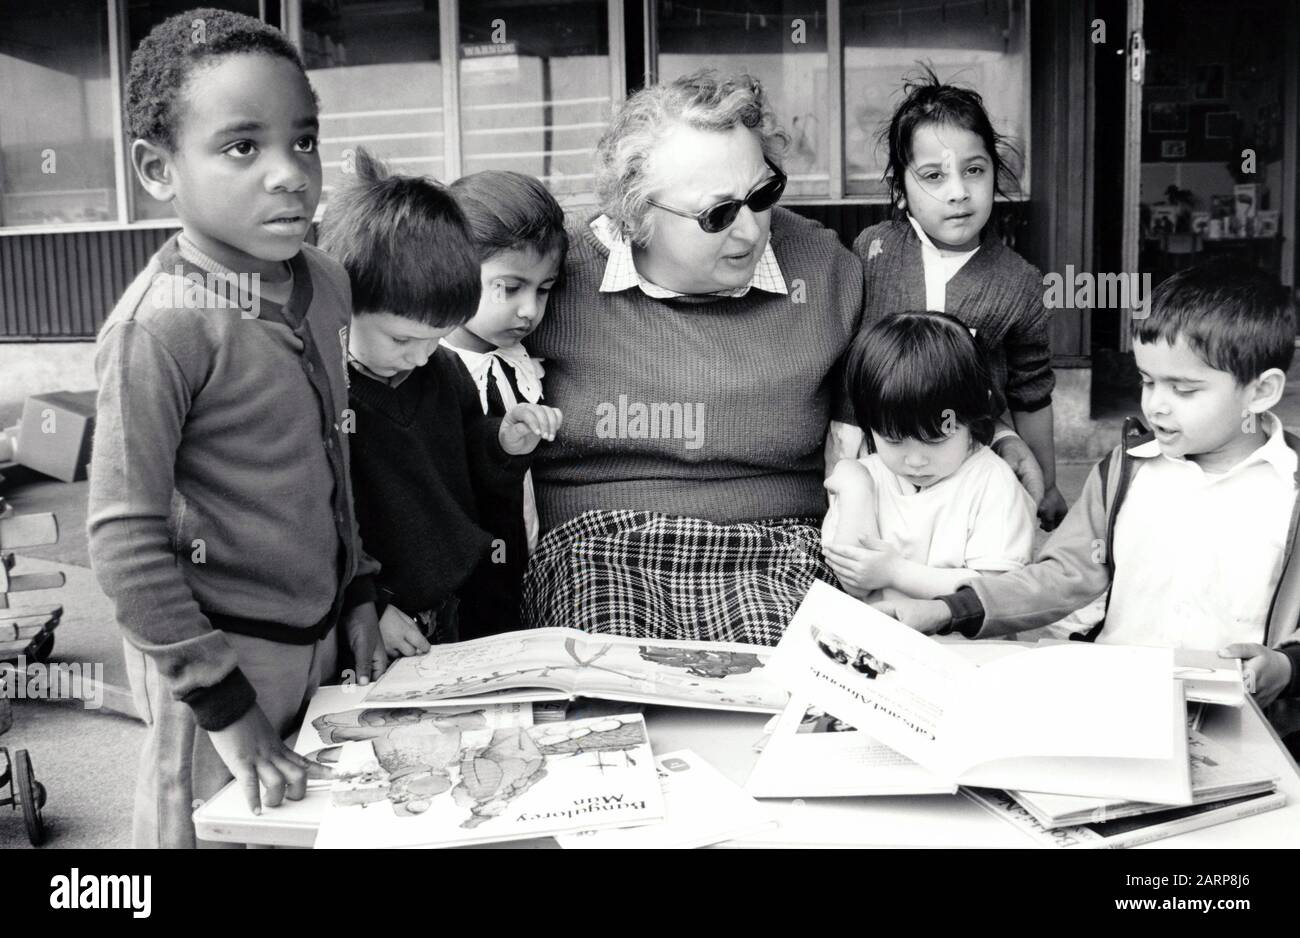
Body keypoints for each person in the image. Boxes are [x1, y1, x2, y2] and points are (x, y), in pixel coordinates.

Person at [87, 8, 384, 848]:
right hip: (216, 673)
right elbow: (123, 543)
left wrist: (357, 589)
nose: (291, 174)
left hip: (322, 645)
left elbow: (334, 453)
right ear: (157, 169)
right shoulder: (158, 328)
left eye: (306, 140)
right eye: (242, 147)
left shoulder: (325, 281)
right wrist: (227, 711)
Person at [879, 261, 1300, 733]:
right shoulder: (1125, 470)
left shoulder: (1291, 491)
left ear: (1261, 391)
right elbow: (1061, 576)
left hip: (1244, 724)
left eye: (1184, 389)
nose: (1155, 404)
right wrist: (944, 610)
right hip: (1117, 708)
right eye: (1147, 380)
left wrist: (1287, 667)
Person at [521, 70, 864, 645]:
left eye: (762, 196)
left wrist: (998, 430)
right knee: (608, 680)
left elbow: (901, 380)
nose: (751, 231)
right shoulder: (555, 278)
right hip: (598, 547)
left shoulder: (824, 269)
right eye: (717, 214)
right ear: (637, 215)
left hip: (778, 547)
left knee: (789, 688)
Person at [317, 149, 562, 651]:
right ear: (344, 303)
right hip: (375, 614)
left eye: (437, 337)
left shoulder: (440, 368)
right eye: (403, 341)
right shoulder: (325, 396)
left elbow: (466, 451)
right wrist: (371, 604)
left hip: (452, 598)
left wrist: (500, 441)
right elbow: (321, 518)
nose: (420, 356)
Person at [852, 67, 1065, 529]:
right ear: (900, 192)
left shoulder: (1019, 283)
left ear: (995, 173)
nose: (958, 192)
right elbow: (847, 358)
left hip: (972, 464)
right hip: (884, 463)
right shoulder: (874, 252)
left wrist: (1045, 483)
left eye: (974, 170)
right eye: (933, 175)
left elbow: (1031, 390)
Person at [821, 312, 1035, 602]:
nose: (915, 460)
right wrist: (857, 490)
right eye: (894, 440)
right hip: (878, 641)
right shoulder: (864, 478)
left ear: (974, 415)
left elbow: (994, 594)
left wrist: (896, 573)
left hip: (964, 643)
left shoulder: (991, 483)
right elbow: (855, 584)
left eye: (935, 440)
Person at [441, 170, 567, 620]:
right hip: (460, 593)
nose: (530, 310)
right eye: (510, 288)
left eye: (544, 290)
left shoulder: (519, 360)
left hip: (523, 570)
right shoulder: (430, 367)